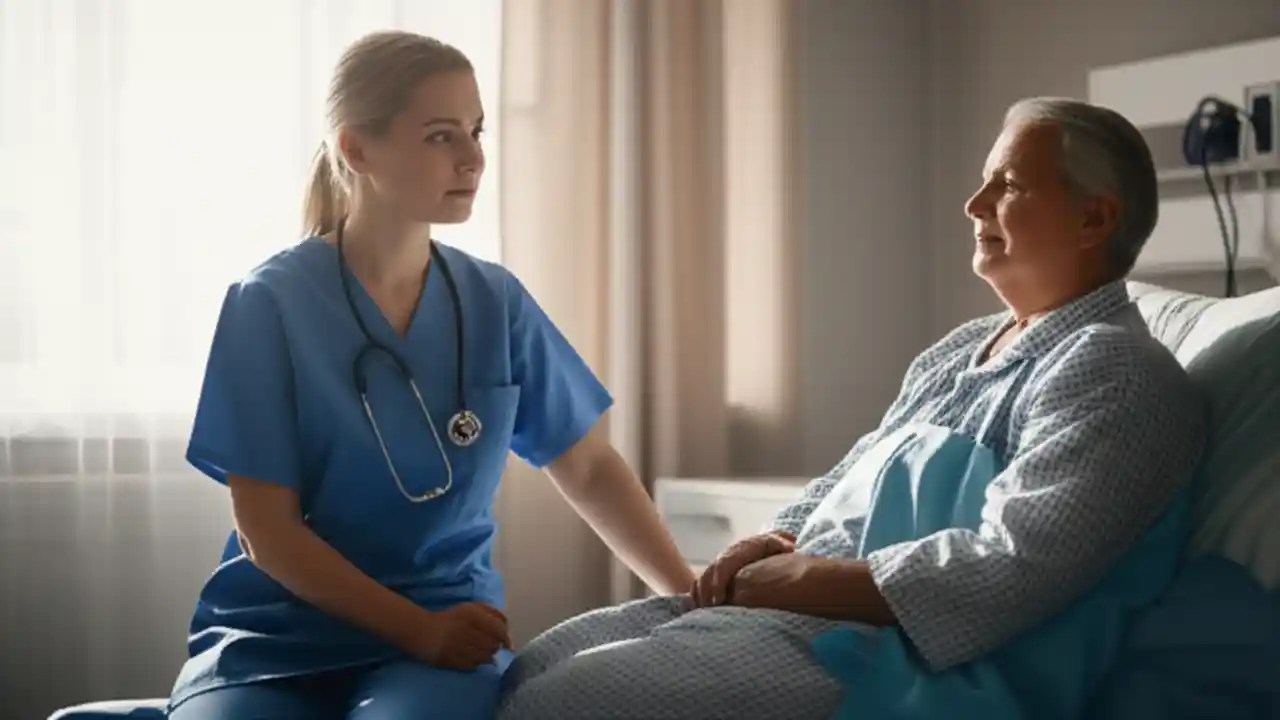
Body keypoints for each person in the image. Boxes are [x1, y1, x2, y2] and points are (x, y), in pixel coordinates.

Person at [498, 98, 1207, 720]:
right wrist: (771, 542)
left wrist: (804, 579)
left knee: (565, 702)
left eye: (1010, 183)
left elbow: (1009, 570)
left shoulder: (1115, 370)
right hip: (802, 618)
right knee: (529, 669)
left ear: (1093, 218)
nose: (975, 203)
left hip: (904, 665)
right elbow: (845, 479)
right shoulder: (961, 350)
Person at [150, 31, 694, 720]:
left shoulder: (495, 303)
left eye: (476, 131)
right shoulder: (270, 305)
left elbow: (586, 466)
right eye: (442, 136)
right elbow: (269, 532)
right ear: (356, 149)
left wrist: (687, 596)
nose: (474, 158)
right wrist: (419, 630)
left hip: (444, 638)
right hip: (276, 636)